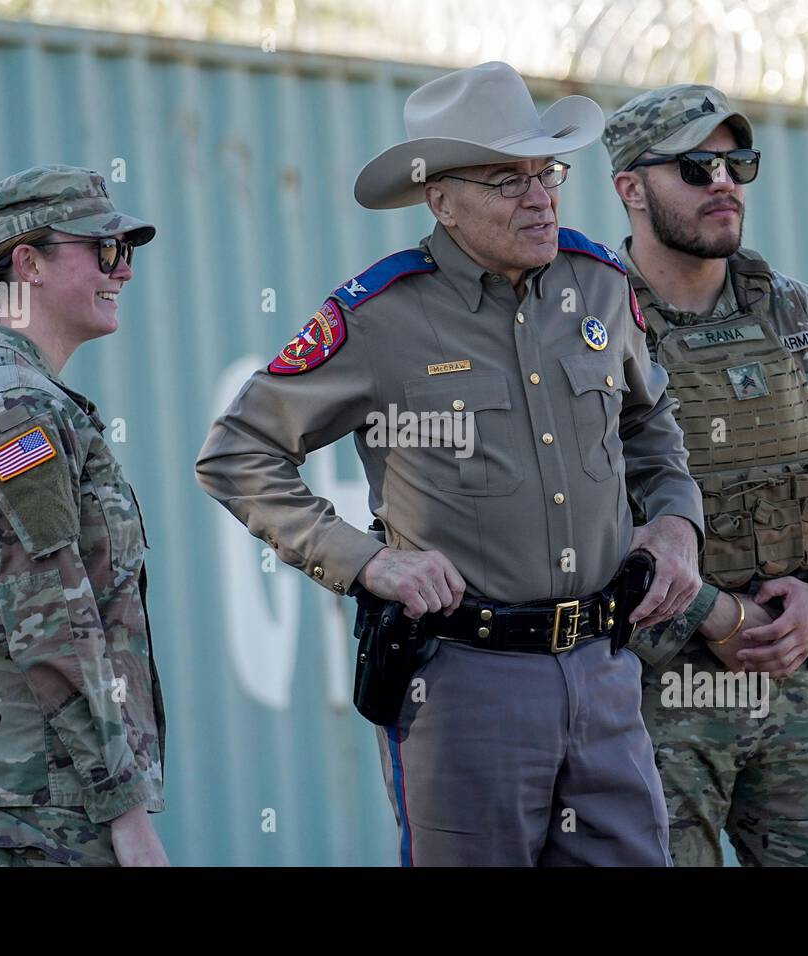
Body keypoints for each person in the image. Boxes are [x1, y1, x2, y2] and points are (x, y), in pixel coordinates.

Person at [196, 62, 705, 866]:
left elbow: (650, 423)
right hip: (466, 685)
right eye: (508, 179)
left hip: (606, 674)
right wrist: (367, 564)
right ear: (440, 199)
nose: (540, 198)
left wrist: (677, 523)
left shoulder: (600, 286)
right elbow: (237, 454)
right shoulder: (380, 315)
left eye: (549, 173)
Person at [603, 85, 808, 866]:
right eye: (697, 167)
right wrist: (709, 615)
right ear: (630, 187)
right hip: (654, 696)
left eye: (738, 163)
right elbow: (569, 509)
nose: (725, 184)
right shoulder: (588, 338)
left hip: (798, 681)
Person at [0, 164, 169, 867]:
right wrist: (126, 811)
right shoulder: (14, 406)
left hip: (41, 786)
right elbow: (50, 617)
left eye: (128, 253)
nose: (123, 272)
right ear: (28, 261)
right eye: (105, 250)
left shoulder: (17, 395)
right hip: (42, 794)